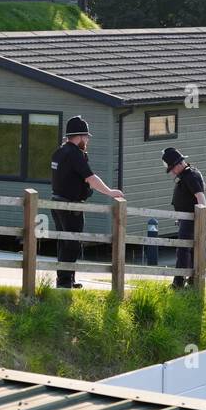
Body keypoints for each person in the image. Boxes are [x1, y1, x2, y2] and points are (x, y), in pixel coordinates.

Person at [49, 116, 123, 289]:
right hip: (71, 206)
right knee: (72, 244)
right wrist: (110, 192)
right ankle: (65, 282)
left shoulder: (59, 152)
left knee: (63, 242)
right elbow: (91, 178)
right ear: (80, 137)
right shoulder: (75, 154)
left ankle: (66, 279)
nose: (88, 140)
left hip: (57, 202)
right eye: (86, 137)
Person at [161, 147, 206, 290]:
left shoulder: (190, 176)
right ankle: (191, 280)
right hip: (185, 218)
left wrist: (202, 216)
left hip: (191, 219)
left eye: (173, 168)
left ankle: (178, 283)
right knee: (189, 250)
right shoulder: (186, 175)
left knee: (183, 249)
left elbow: (200, 196)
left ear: (179, 164)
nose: (173, 171)